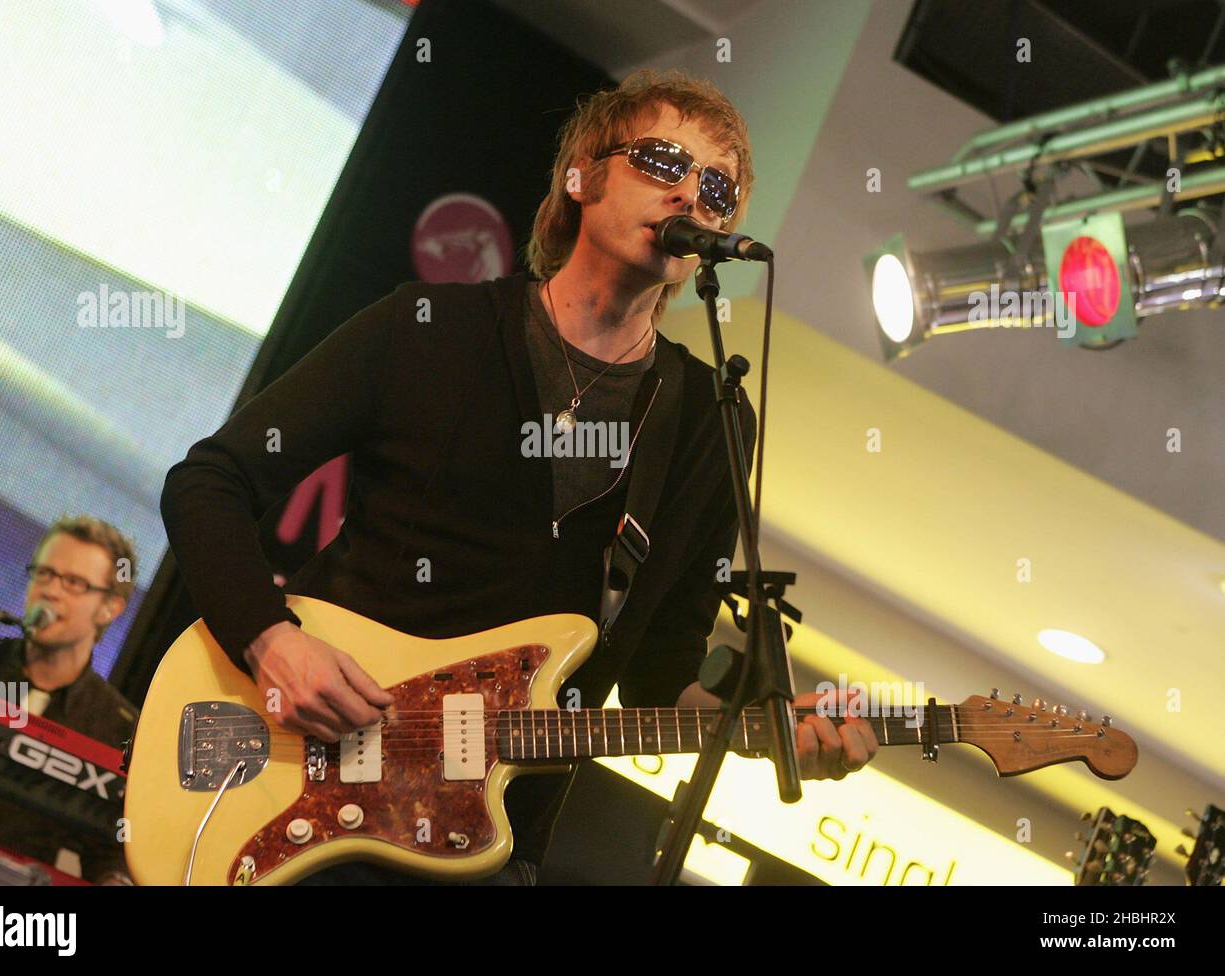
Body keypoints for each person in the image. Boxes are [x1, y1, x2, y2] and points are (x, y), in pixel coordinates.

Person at [160, 68, 878, 885]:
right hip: (307, 780)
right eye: (661, 163)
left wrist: (777, 726)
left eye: (717, 186)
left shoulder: (709, 420)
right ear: (581, 176)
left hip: (489, 847)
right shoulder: (429, 331)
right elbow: (209, 482)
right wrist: (271, 640)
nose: (691, 198)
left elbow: (661, 672)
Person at [0, 515, 139, 884]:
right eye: (43, 573)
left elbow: (112, 850)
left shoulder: (119, 728)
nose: (49, 591)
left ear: (109, 608)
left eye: (73, 582)